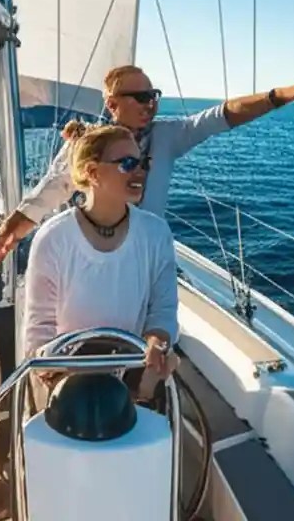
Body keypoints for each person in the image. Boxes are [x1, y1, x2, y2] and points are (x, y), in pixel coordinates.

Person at [0, 64, 294, 280]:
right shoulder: (84, 146)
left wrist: (282, 95)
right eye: (140, 96)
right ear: (112, 103)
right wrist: (3, 238)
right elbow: (47, 194)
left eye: (154, 95)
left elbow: (221, 116)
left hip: (145, 261)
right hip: (88, 262)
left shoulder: (166, 137)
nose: (150, 104)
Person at [22, 122, 180, 398]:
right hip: (65, 375)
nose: (141, 172)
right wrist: (58, 378)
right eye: (128, 163)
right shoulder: (53, 238)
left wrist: (157, 344)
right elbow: (39, 331)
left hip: (134, 368)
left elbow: (163, 311)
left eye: (144, 162)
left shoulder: (156, 234)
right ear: (92, 172)